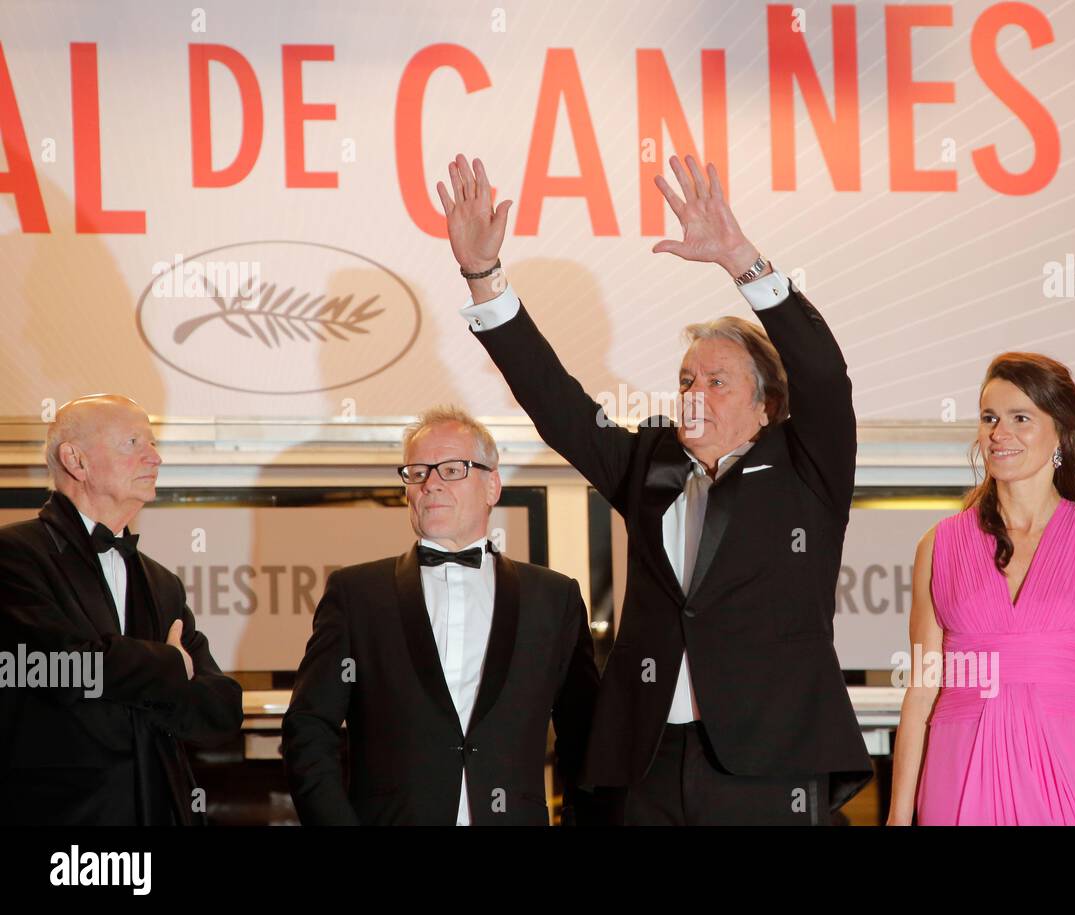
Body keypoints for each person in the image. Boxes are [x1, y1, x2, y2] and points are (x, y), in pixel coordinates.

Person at [437, 152, 870, 825]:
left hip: (769, 765)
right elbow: (557, 403)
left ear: (766, 406)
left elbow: (825, 375)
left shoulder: (806, 469)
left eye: (717, 382)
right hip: (648, 763)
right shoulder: (651, 463)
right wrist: (483, 278)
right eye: (687, 381)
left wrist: (740, 260)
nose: (694, 395)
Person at [283, 407, 599, 825]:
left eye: (452, 469)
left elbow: (586, 741)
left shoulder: (554, 599)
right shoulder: (356, 595)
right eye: (417, 472)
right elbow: (308, 729)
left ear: (492, 486)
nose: (431, 484)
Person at [888, 354, 1075, 825]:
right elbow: (922, 690)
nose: (998, 432)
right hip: (960, 769)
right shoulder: (940, 544)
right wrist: (896, 817)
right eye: (989, 417)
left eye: (1020, 418)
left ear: (1060, 434)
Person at [0, 394, 242, 825]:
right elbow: (59, 669)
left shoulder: (161, 581)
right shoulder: (14, 555)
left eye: (153, 443)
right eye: (134, 442)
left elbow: (221, 710)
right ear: (75, 460)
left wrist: (126, 674)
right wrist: (169, 666)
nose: (156, 457)